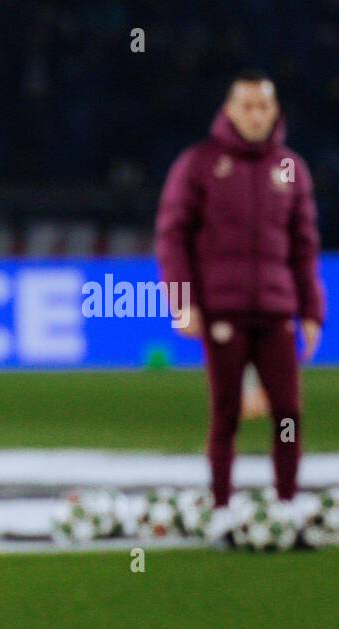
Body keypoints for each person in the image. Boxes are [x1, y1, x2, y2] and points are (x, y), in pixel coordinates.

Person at [155, 71, 325, 541]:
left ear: (275, 112)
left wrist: (311, 310)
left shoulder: (290, 167)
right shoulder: (200, 164)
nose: (255, 115)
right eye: (246, 106)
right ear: (229, 110)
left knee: (287, 412)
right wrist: (183, 301)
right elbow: (173, 237)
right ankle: (222, 506)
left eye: (263, 106)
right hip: (223, 311)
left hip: (274, 313)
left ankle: (287, 504)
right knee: (227, 413)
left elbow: (304, 245)